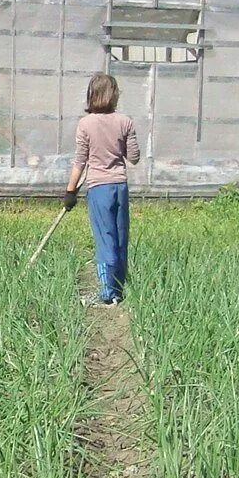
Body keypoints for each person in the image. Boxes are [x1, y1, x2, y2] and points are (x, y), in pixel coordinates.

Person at [64, 74, 140, 307]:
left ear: (92, 95)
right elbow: (134, 158)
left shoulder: (85, 124)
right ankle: (118, 288)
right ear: (113, 95)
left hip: (99, 188)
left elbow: (80, 162)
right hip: (120, 186)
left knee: (104, 238)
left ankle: (107, 293)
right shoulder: (125, 121)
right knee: (119, 238)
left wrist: (70, 192)